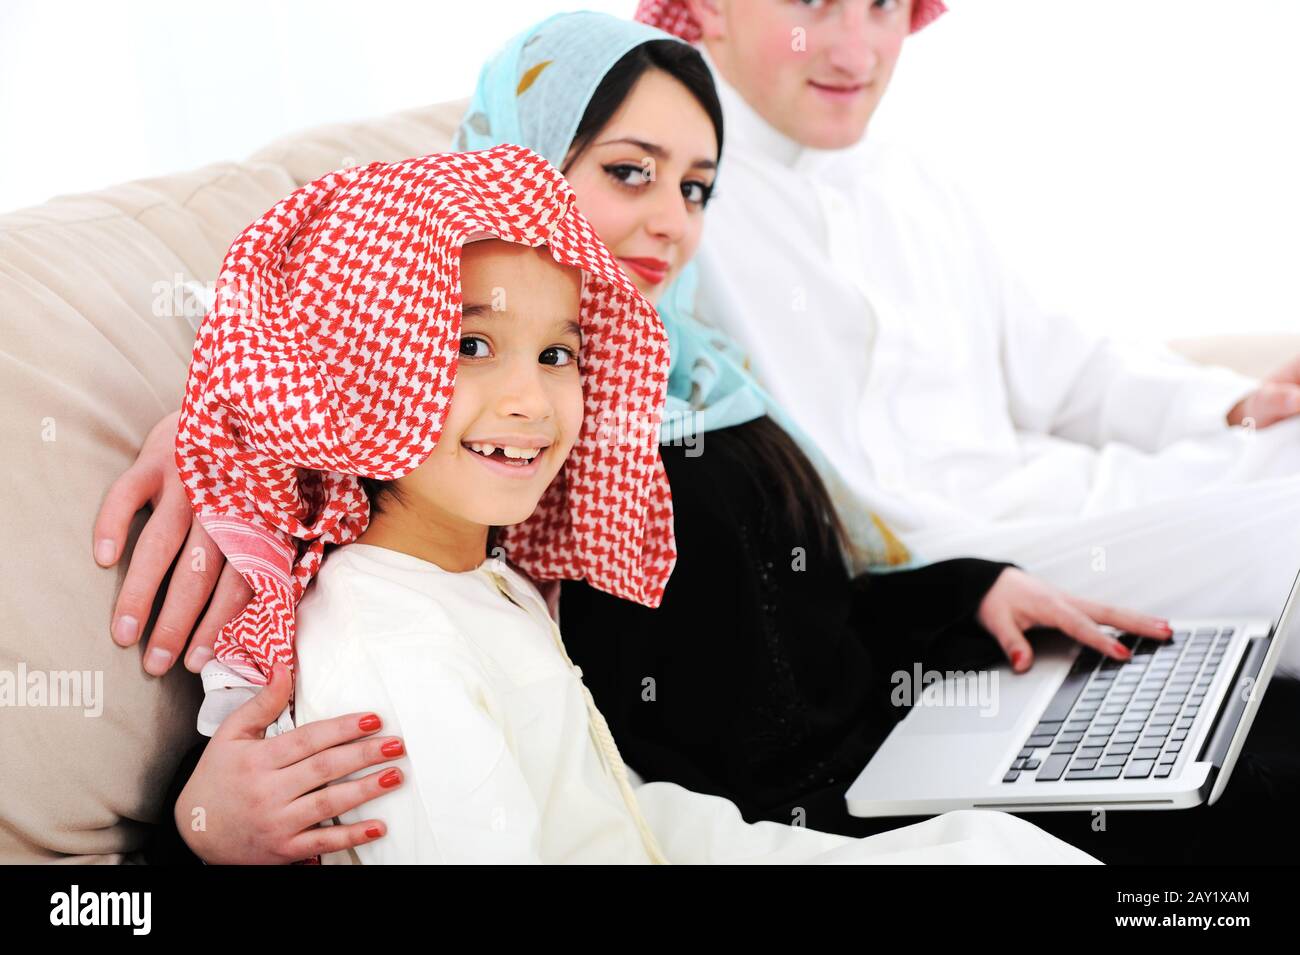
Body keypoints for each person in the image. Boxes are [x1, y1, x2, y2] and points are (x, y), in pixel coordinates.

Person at [130, 13, 1149, 865]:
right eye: (629, 171)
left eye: (696, 186)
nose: (670, 221)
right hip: (825, 796)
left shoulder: (684, 376)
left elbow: (681, 740)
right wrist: (227, 423)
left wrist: (962, 591)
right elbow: (357, 724)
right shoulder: (486, 496)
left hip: (845, 782)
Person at [631, 0, 1300, 671]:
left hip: (1075, 499)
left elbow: (1064, 369)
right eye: (814, 5)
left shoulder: (915, 178)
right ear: (709, 9)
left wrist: (1234, 407)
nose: (856, 55)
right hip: (960, 564)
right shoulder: (665, 205)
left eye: (883, 6)